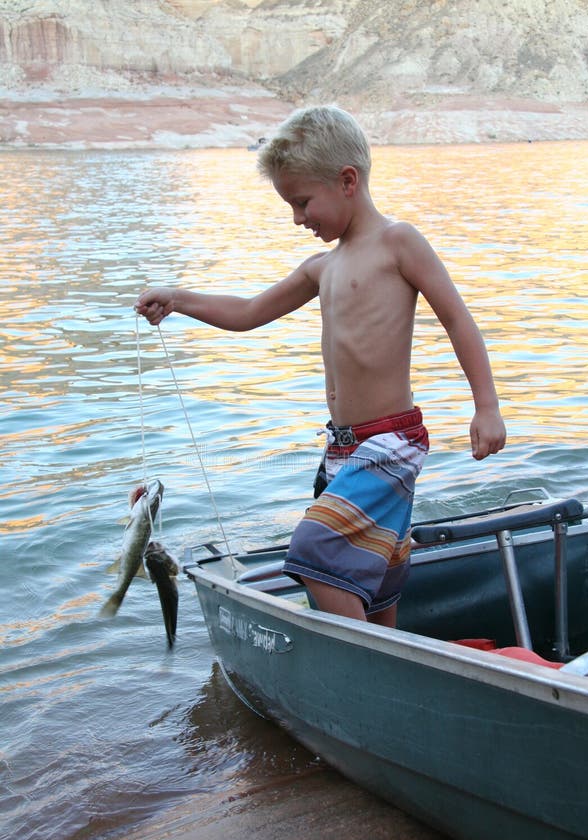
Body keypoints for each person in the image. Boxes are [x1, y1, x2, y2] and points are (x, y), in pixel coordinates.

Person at [135, 105, 506, 629]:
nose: (297, 218)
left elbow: (458, 321)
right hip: (342, 447)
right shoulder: (322, 268)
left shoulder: (398, 243)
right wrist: (178, 298)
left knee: (314, 551)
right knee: (374, 579)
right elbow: (247, 313)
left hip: (388, 442)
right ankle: (388, 675)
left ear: (347, 181)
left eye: (303, 202)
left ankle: (357, 668)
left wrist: (486, 407)